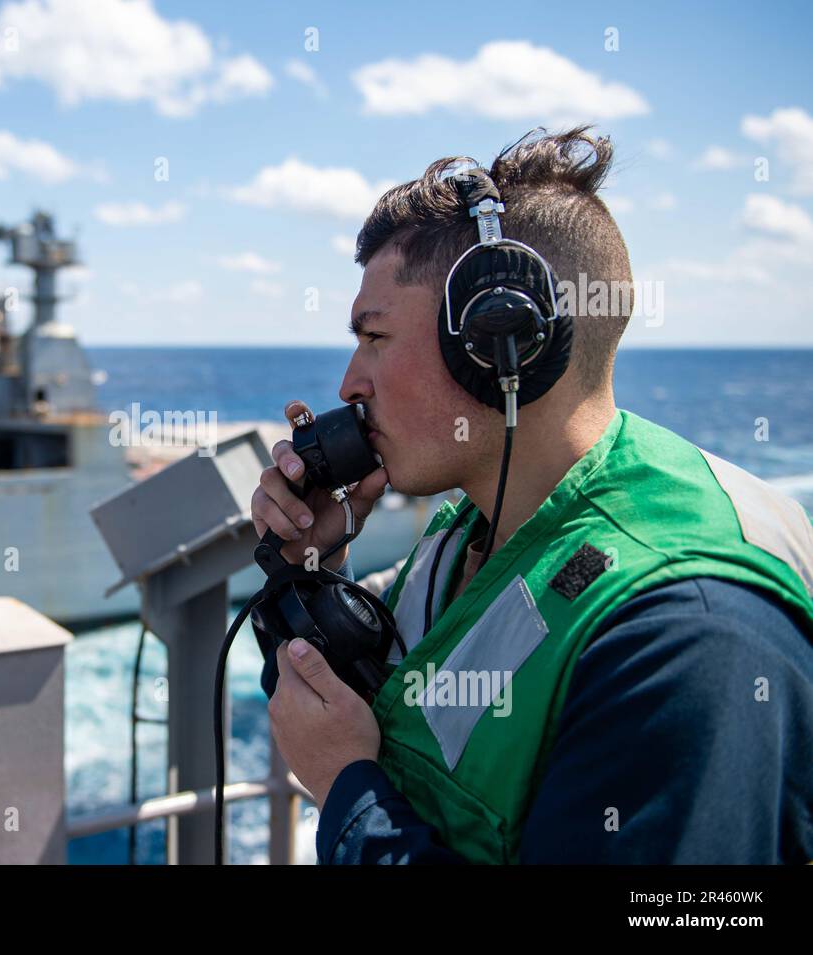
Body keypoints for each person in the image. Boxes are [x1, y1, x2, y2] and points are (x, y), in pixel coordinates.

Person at [251, 127, 813, 864]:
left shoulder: (689, 640)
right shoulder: (473, 530)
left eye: (375, 337)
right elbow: (374, 701)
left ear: (496, 340)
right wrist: (309, 569)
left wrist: (350, 791)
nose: (348, 384)